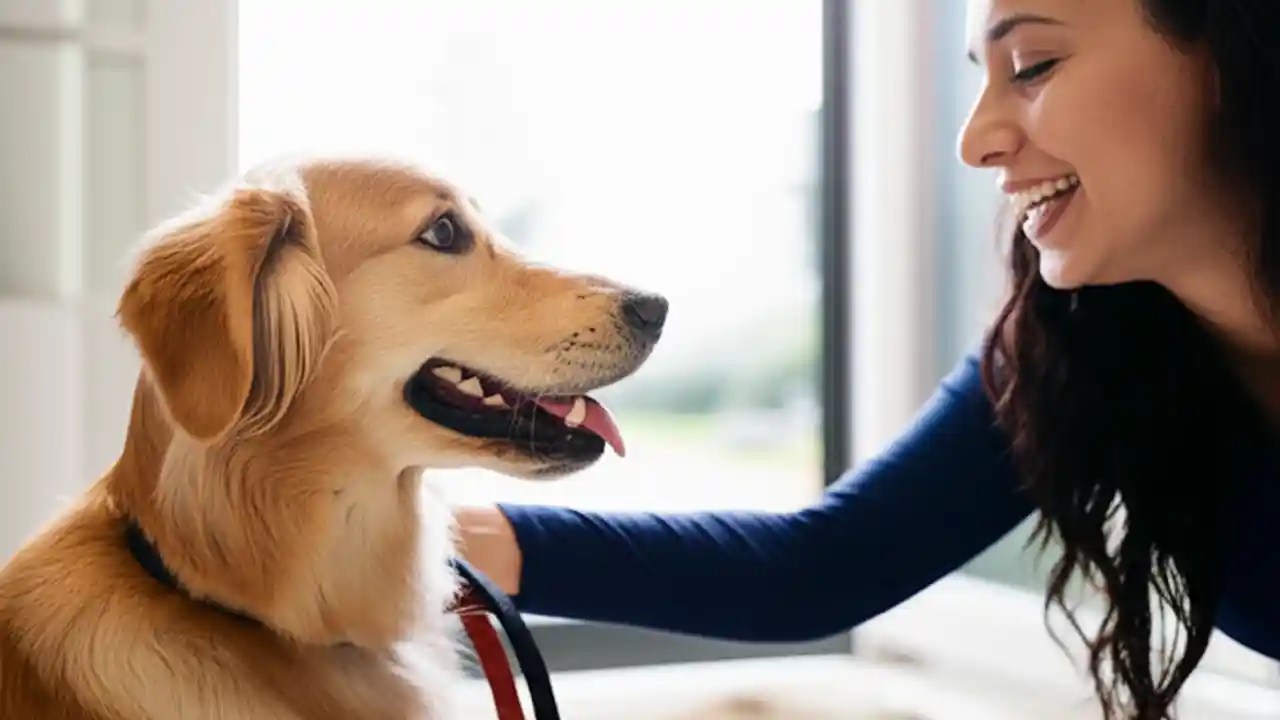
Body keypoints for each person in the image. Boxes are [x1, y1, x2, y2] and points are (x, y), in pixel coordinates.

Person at [454, 1, 1280, 718]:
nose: (975, 140)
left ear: (1229, 51)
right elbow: (819, 568)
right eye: (979, 79)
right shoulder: (1086, 343)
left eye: (1032, 66)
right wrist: (418, 547)